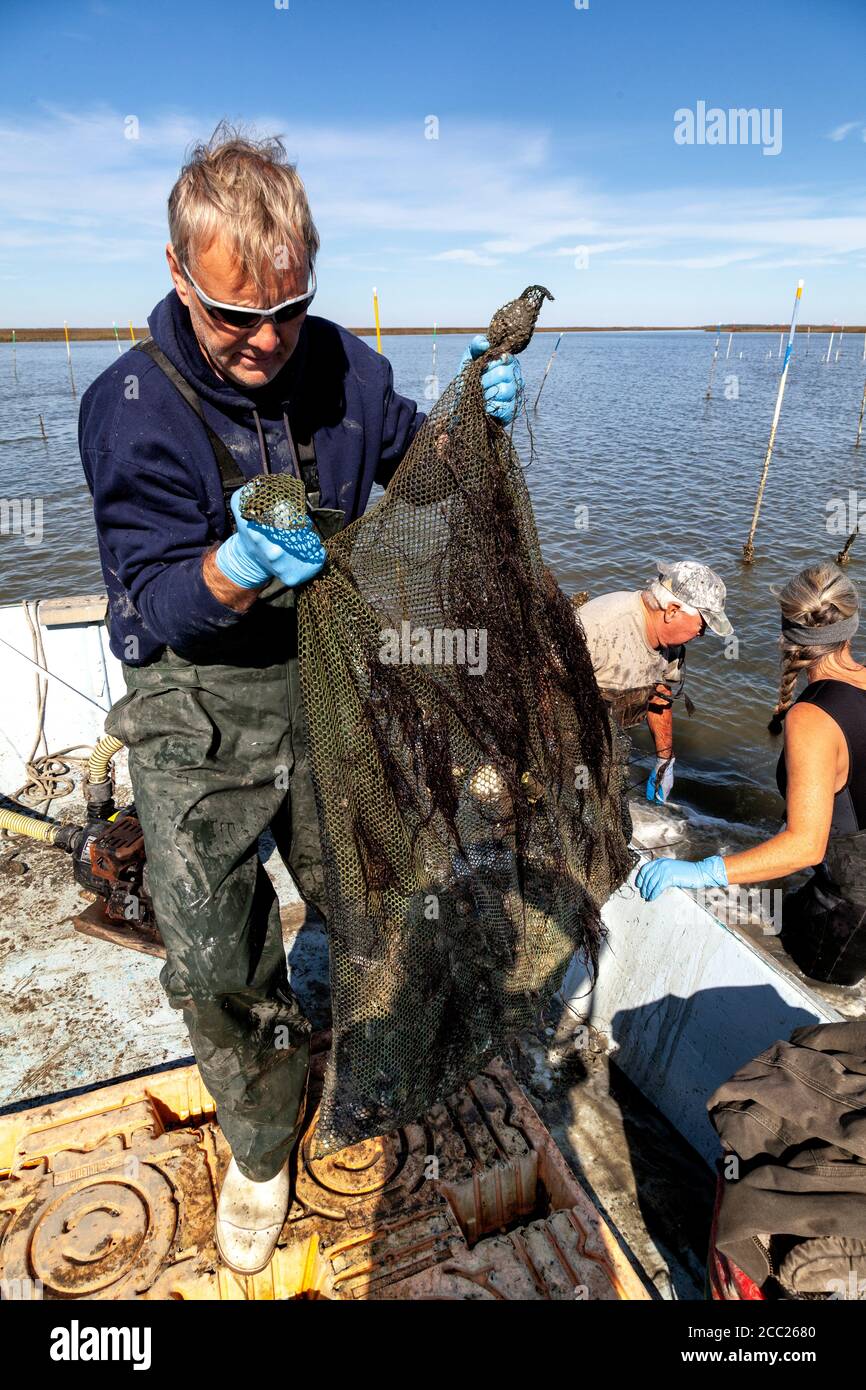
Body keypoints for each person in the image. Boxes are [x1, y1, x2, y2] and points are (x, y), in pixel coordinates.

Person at [78, 125, 523, 1275]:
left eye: (289, 309)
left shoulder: (346, 368)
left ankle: (372, 1053)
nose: (266, 342)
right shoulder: (130, 405)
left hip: (332, 689)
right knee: (221, 962)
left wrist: (474, 422)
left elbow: (421, 485)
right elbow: (143, 608)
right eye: (235, 317)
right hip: (201, 711)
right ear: (179, 272)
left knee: (374, 889)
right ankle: (265, 1140)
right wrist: (225, 571)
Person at [636, 562, 866, 987]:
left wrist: (702, 871)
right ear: (851, 626)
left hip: (846, 917)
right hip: (847, 889)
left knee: (794, 979)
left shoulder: (813, 719)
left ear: (785, 636)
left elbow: (805, 847)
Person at [577, 561, 733, 803]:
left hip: (609, 744)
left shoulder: (671, 645)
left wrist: (664, 760)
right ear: (672, 611)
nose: (702, 635)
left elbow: (659, 694)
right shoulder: (598, 628)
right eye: (702, 625)